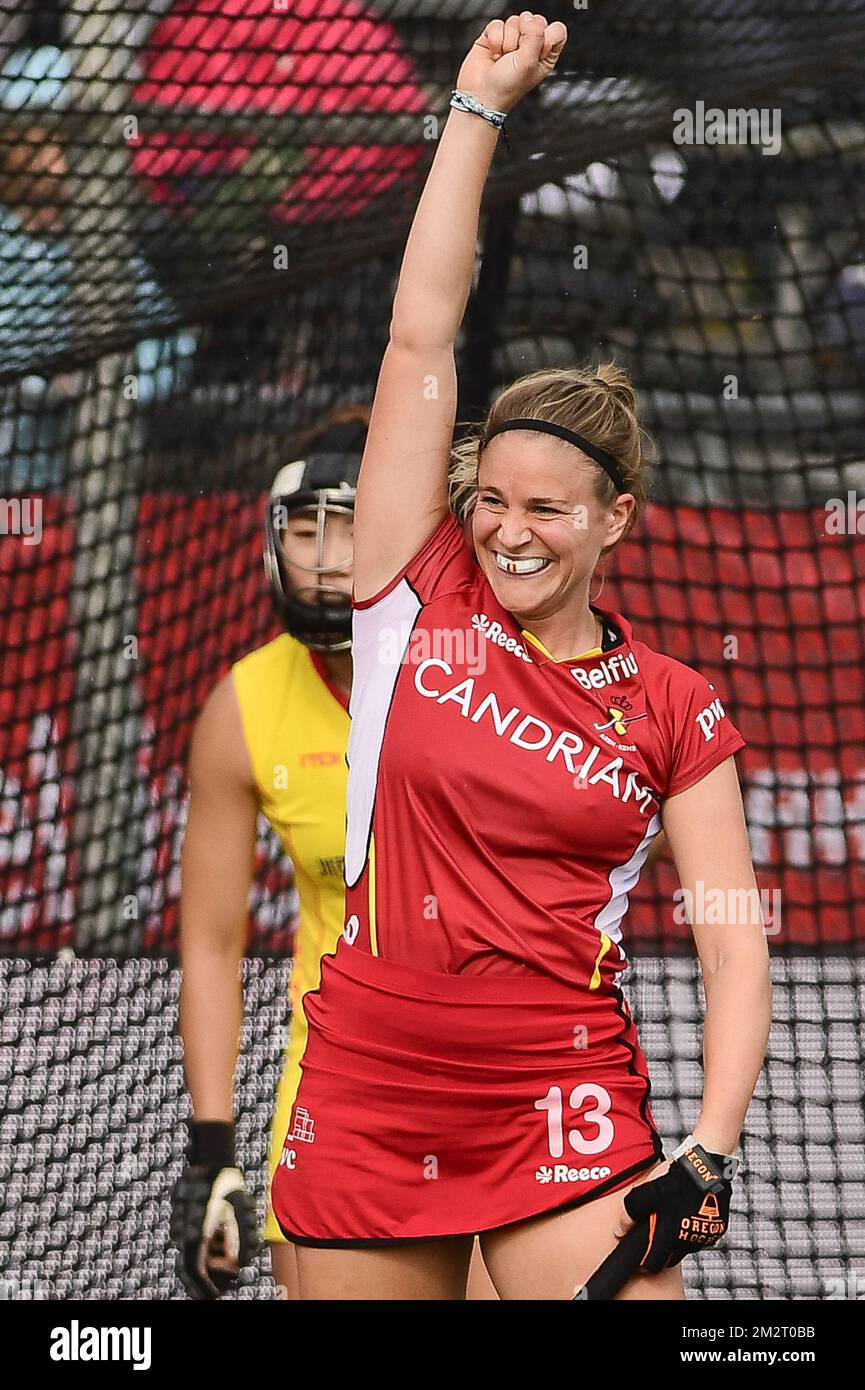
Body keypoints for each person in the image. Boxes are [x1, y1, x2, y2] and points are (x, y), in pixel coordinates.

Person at [270, 13, 771, 1301]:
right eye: (491, 497)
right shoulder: (410, 582)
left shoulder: (673, 702)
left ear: (615, 522)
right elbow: (420, 336)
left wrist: (708, 1152)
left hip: (561, 1091)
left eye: (549, 509)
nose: (508, 529)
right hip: (369, 1076)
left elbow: (728, 937)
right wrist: (478, 108)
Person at [169, 407, 498, 1299]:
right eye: (306, 528)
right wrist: (211, 1152)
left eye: (348, 524)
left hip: (502, 1072)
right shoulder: (243, 706)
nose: (325, 552)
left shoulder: (489, 667)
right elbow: (210, 944)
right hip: (336, 1080)